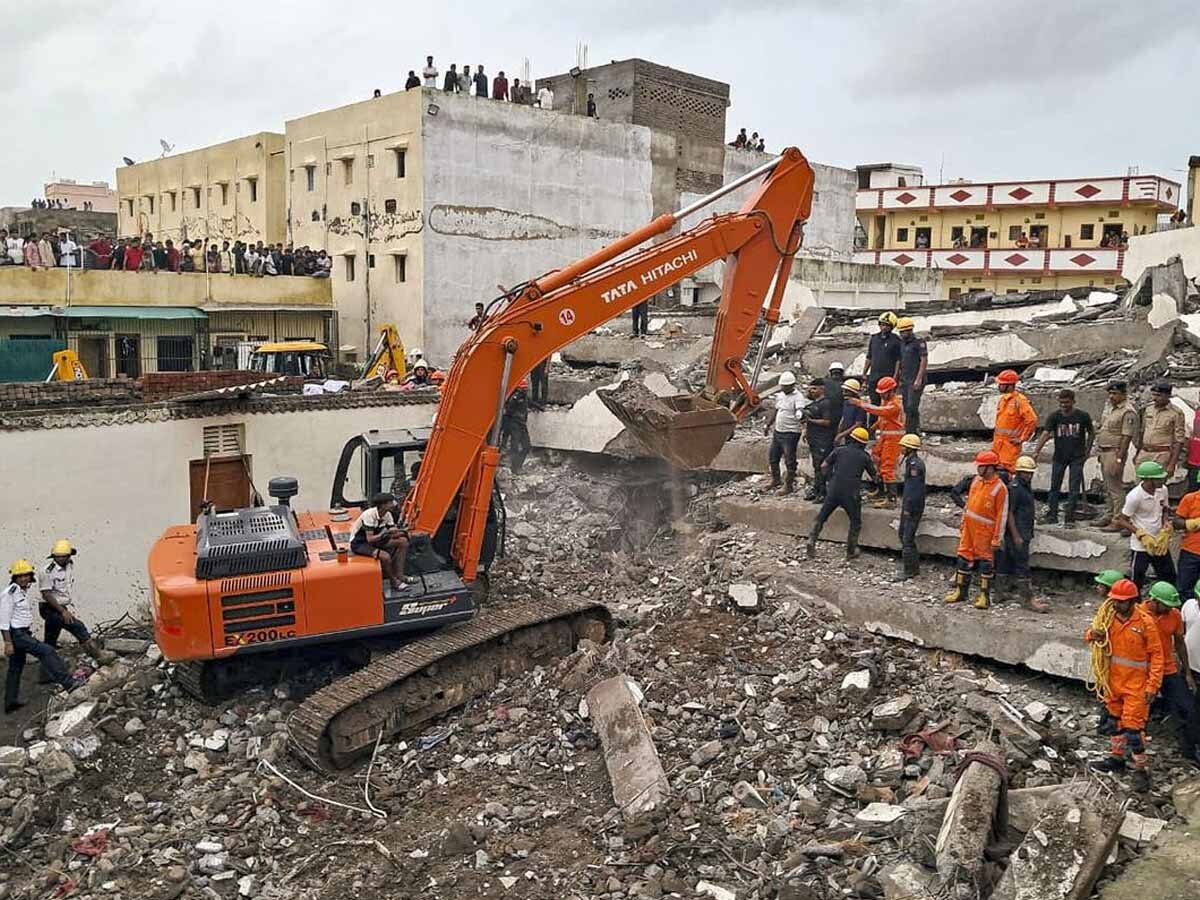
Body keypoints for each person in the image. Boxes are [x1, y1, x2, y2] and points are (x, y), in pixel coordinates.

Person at [1086, 578, 1162, 792]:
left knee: (1133, 731)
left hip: (1136, 686)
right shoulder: (1107, 619)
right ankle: (1116, 760)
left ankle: (1141, 770)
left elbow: (1157, 655)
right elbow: (1092, 637)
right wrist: (1093, 634)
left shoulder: (1145, 623)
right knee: (1114, 724)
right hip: (1113, 682)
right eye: (1114, 600)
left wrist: (1152, 687)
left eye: (1120, 601)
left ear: (1131, 601)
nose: (1115, 605)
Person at [3, 559, 80, 713]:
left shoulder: (20, 592)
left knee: (15, 667)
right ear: (15, 577)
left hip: (22, 632)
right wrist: (8, 642)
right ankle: (70, 684)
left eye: (26, 575)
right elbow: (3, 619)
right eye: (20, 576)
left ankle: (10, 702)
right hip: (17, 635)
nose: (24, 578)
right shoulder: (9, 593)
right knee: (47, 651)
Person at [1142, 581, 1199, 761]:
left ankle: (1189, 750)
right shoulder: (1138, 615)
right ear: (1154, 601)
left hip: (1167, 668)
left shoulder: (1173, 615)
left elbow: (1180, 643)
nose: (1170, 609)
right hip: (1144, 669)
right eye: (1166, 606)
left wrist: (1188, 672)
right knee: (1137, 709)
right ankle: (1132, 745)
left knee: (1187, 708)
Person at [945, 450, 1009, 610]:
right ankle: (961, 592)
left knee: (985, 563)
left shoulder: (1000, 488)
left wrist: (997, 539)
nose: (978, 469)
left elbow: (1002, 516)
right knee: (963, 558)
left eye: (981, 466)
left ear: (990, 467)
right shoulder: (975, 482)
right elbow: (969, 505)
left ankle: (984, 596)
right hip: (969, 527)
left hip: (985, 530)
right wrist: (963, 523)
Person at [805, 427, 881, 561]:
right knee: (855, 522)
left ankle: (811, 539)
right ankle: (851, 551)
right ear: (863, 443)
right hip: (851, 493)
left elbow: (823, 466)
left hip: (834, 489)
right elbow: (875, 477)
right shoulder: (864, 457)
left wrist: (829, 478)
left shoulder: (839, 450)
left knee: (822, 517)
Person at [39, 540, 114, 662]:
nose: (62, 559)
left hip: (59, 607)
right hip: (50, 608)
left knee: (50, 642)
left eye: (65, 556)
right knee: (78, 627)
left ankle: (44, 674)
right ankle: (98, 656)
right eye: (59, 557)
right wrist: (63, 611)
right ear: (54, 557)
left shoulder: (68, 565)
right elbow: (46, 594)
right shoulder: (47, 571)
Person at [1031, 388, 1094, 526]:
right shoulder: (1054, 417)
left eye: (1067, 402)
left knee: (1074, 488)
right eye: (1061, 402)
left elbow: (1091, 433)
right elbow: (1046, 434)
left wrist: (1087, 451)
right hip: (1059, 456)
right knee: (1054, 487)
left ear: (1073, 401)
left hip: (1077, 457)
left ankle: (1069, 518)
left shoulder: (1083, 416)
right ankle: (1052, 515)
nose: (1064, 405)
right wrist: (1036, 451)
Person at [996, 456, 1049, 611]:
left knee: (1006, 562)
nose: (1029, 475)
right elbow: (1010, 513)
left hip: (1023, 530)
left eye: (1030, 473)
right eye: (1026, 473)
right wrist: (1016, 535)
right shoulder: (1016, 488)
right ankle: (1027, 599)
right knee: (1022, 565)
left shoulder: (1024, 486)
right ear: (1019, 472)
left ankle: (1000, 593)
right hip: (1018, 532)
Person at [1116, 460, 1175, 589]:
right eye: (1158, 478)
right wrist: (1140, 534)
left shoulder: (1163, 490)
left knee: (1168, 576)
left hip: (1159, 541)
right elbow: (1122, 520)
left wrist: (1165, 523)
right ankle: (1134, 605)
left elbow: (1164, 508)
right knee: (1136, 579)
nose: (1162, 481)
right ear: (1148, 480)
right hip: (1141, 545)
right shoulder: (1135, 497)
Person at [850, 375, 905, 507]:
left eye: (884, 393)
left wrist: (861, 404)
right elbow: (882, 417)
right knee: (877, 459)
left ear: (892, 391)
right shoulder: (886, 400)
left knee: (888, 467)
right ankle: (880, 491)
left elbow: (880, 411)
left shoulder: (895, 404)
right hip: (885, 436)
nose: (881, 396)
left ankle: (891, 500)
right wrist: (873, 428)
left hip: (893, 438)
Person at [1095, 381, 1138, 530]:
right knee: (1107, 486)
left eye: (1115, 393)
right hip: (1104, 451)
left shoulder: (1128, 411)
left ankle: (1118, 519)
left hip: (1115, 452)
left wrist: (1119, 458)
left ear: (1123, 394)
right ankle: (1109, 514)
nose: (1111, 396)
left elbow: (1126, 437)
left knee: (1115, 487)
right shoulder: (1110, 408)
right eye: (1110, 393)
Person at [350, 493, 410, 593]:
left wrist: (403, 531)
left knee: (403, 542)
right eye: (390, 502)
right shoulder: (369, 515)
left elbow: (392, 530)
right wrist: (385, 533)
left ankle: (400, 575)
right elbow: (370, 539)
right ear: (383, 505)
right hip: (361, 543)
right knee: (385, 556)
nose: (394, 504)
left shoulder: (387, 514)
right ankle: (393, 581)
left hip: (378, 538)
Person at [1134, 381, 1185, 478]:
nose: (1155, 398)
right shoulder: (1148, 409)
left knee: (1157, 486)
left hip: (1161, 455)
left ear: (1167, 396)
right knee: (1140, 486)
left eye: (1158, 395)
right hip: (1144, 452)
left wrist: (1172, 464)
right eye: (1153, 395)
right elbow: (1143, 431)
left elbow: (1179, 440)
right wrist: (1137, 453)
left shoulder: (1176, 413)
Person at [893, 434, 925, 582]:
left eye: (903, 446)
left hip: (912, 506)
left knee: (907, 538)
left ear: (909, 448)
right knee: (903, 535)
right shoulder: (911, 463)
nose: (901, 448)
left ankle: (909, 571)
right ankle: (914, 568)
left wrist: (908, 507)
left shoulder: (915, 465)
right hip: (909, 504)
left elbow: (915, 489)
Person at [991, 370, 1037, 474]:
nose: (999, 386)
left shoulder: (1020, 401)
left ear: (1010, 385)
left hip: (1010, 446)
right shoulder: (1003, 400)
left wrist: (1022, 438)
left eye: (1001, 384)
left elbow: (1032, 420)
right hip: (998, 445)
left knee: (1008, 472)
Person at [766, 371, 803, 494]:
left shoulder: (798, 397)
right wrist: (768, 425)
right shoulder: (780, 395)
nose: (783, 388)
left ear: (792, 385)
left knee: (789, 460)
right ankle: (776, 479)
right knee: (773, 457)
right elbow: (776, 410)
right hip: (778, 431)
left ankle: (789, 485)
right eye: (782, 386)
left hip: (790, 433)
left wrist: (799, 414)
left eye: (785, 387)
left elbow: (800, 411)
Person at [802, 379, 835, 502]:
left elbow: (827, 421)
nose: (811, 391)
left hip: (822, 440)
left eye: (814, 388)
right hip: (813, 439)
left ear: (822, 389)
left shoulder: (825, 403)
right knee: (816, 466)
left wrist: (811, 421)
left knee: (822, 466)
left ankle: (823, 493)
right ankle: (817, 490)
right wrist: (806, 430)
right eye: (811, 388)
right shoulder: (813, 404)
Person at [896, 317, 927, 434]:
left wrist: (918, 379)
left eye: (904, 331)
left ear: (910, 330)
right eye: (901, 332)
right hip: (905, 379)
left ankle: (911, 432)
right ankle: (915, 428)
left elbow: (923, 360)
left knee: (911, 406)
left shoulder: (919, 342)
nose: (902, 334)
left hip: (915, 379)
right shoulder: (902, 344)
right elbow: (900, 361)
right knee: (906, 406)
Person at [863, 312, 901, 401]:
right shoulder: (874, 338)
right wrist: (864, 372)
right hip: (874, 376)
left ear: (892, 327)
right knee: (874, 401)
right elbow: (869, 356)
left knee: (887, 401)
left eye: (887, 325)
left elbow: (898, 360)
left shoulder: (896, 340)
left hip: (887, 376)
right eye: (882, 324)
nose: (884, 327)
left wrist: (895, 376)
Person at [1174, 484, 1200, 599]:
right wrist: (1190, 523)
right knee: (1184, 589)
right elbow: (1176, 522)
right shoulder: (1190, 499)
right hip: (1190, 553)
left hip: (1191, 553)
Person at [502, 379, 532, 472]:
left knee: (527, 446)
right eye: (523, 389)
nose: (525, 390)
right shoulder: (515, 398)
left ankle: (518, 465)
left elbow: (528, 403)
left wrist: (539, 407)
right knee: (514, 447)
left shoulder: (524, 396)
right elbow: (508, 411)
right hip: (515, 425)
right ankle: (514, 468)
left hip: (522, 424)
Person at [834, 378, 867, 444]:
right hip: (847, 436)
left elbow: (858, 424)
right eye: (843, 391)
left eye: (846, 391)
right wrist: (839, 433)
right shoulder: (846, 403)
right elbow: (843, 419)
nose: (844, 393)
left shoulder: (860, 405)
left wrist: (841, 435)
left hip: (857, 437)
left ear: (853, 392)